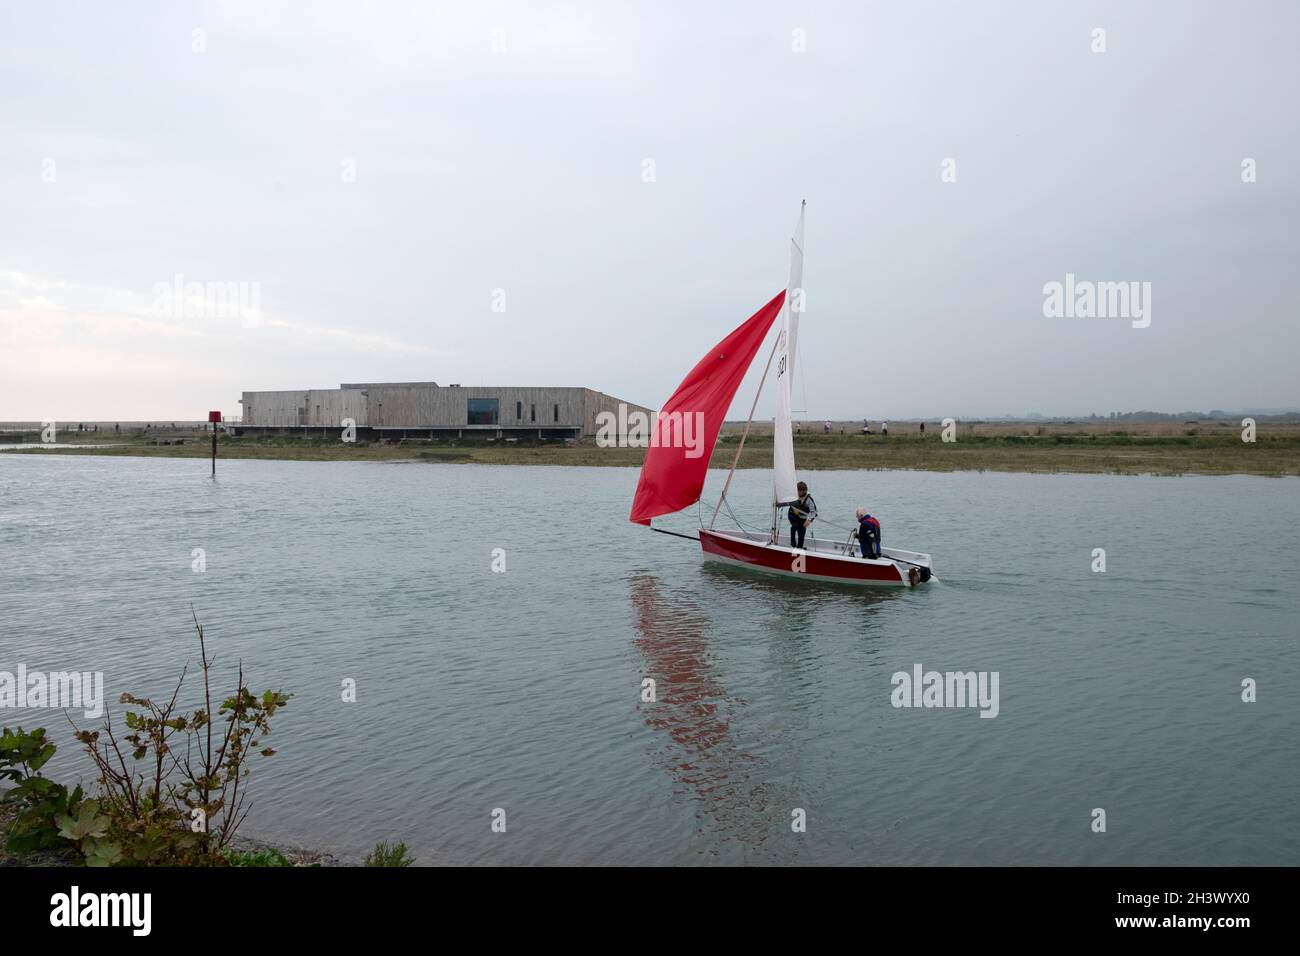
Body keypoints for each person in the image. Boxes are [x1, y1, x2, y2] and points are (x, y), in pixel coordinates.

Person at [788, 481, 817, 549]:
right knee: (795, 526)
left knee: (802, 533)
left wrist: (809, 520)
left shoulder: (809, 500)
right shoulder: (793, 496)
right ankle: (793, 542)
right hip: (792, 515)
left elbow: (814, 512)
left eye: (802, 491)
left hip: (802, 518)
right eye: (798, 491)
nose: (800, 493)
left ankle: (799, 548)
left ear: (805, 491)